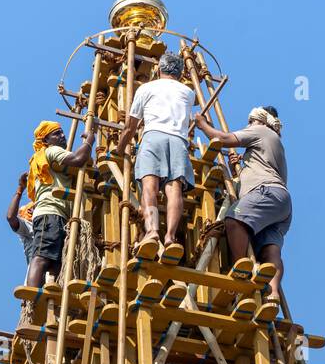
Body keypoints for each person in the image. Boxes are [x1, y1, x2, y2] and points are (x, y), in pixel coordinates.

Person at [195, 104, 291, 303]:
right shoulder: (273, 142)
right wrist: (238, 167)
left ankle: (242, 267)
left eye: (251, 121)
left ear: (261, 120)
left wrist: (202, 125)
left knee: (234, 219)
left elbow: (223, 139)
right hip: (279, 202)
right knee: (269, 250)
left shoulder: (261, 131)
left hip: (265, 192)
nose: (248, 124)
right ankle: (272, 292)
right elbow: (257, 171)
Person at [115, 51, 194, 261]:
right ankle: (170, 236)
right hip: (178, 141)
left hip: (153, 136)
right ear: (180, 72)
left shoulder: (146, 88)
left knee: (149, 186)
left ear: (159, 69)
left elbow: (130, 126)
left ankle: (152, 232)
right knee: (174, 188)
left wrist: (120, 148)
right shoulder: (188, 92)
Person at [26, 120, 95, 288]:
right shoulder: (51, 151)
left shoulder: (46, 157)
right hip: (51, 212)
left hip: (57, 215)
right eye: (57, 134)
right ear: (46, 141)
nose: (62, 136)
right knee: (43, 256)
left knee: (56, 262)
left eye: (62, 132)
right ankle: (31, 300)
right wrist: (89, 141)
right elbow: (79, 159)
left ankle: (46, 294)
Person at [5, 171, 34, 279]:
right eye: (30, 210)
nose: (32, 211)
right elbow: (11, 217)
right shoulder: (27, 227)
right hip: (37, 274)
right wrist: (20, 189)